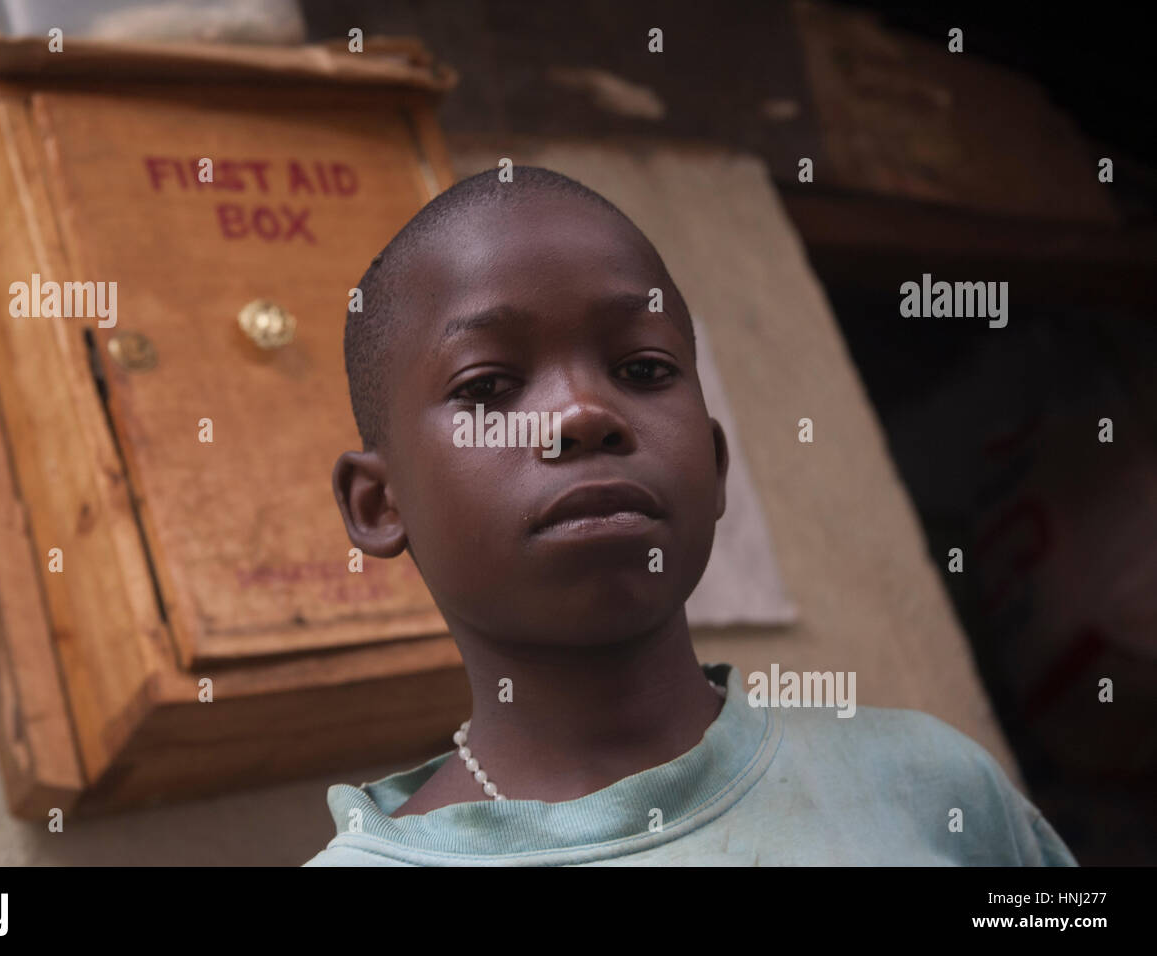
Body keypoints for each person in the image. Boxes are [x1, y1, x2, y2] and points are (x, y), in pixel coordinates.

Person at [303, 166, 1076, 866]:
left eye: (643, 369)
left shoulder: (934, 786)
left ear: (712, 465)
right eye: (486, 387)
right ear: (379, 504)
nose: (582, 414)